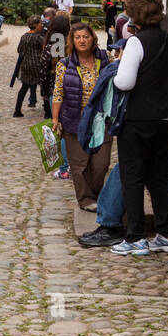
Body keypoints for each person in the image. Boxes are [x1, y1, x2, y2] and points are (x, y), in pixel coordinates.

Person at [110, 0, 168, 256]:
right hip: (167, 119)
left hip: (138, 119)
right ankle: (166, 234)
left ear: (135, 14)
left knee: (132, 176)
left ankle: (135, 237)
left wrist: (112, 75)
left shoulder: (135, 42)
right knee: (158, 175)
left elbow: (125, 81)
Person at [80, 79, 168, 248]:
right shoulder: (160, 77)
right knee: (133, 166)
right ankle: (163, 232)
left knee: (128, 168)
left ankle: (110, 227)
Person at [51, 22, 112, 211]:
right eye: (77, 37)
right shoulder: (65, 64)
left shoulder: (105, 59)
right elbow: (58, 92)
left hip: (101, 119)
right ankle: (86, 200)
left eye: (85, 36)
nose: (82, 40)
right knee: (79, 165)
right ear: (72, 40)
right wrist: (55, 118)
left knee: (101, 164)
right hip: (74, 120)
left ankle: (94, 195)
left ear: (93, 38)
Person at [39, 11, 71, 178]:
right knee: (69, 128)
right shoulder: (71, 45)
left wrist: (43, 92)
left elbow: (44, 71)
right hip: (72, 90)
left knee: (57, 128)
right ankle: (71, 163)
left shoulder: (50, 47)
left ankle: (63, 167)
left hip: (54, 90)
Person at [12, 16, 46, 116]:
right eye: (40, 23)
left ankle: (17, 110)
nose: (42, 25)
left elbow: (19, 50)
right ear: (35, 25)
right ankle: (48, 112)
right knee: (44, 87)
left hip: (26, 65)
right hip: (37, 65)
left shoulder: (24, 36)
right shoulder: (39, 37)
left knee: (24, 88)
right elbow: (45, 49)